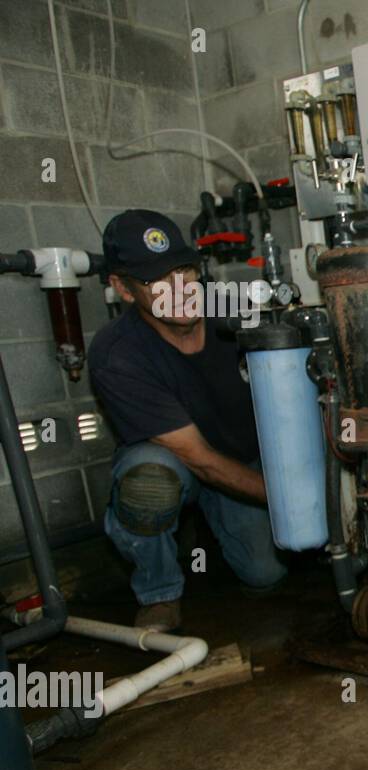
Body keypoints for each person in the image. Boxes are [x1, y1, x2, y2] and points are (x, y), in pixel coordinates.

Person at [89, 210, 285, 632]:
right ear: (122, 288)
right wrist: (288, 500)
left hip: (244, 455)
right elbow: (198, 458)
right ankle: (159, 591)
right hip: (183, 462)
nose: (178, 289)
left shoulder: (235, 312)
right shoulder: (117, 354)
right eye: (155, 279)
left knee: (265, 574)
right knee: (149, 483)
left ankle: (223, 538)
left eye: (184, 270)